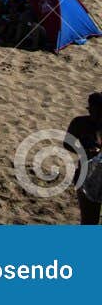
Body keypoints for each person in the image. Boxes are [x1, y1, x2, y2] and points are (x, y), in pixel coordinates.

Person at [66, 93, 102, 225]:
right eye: (93, 111)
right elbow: (67, 143)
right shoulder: (80, 123)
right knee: (89, 221)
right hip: (86, 177)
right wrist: (83, 148)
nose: (96, 116)